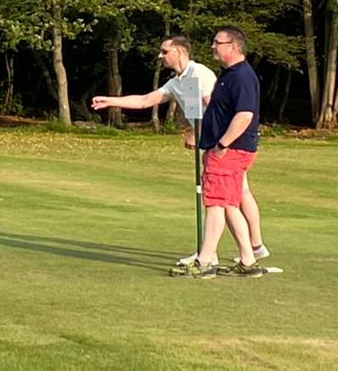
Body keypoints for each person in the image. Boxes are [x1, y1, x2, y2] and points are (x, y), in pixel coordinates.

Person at [90, 34, 268, 269]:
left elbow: (214, 108)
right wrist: (111, 101)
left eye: (165, 51)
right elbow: (145, 101)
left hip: (225, 145)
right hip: (220, 144)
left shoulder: (201, 74)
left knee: (225, 200)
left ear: (180, 51)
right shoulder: (177, 81)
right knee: (230, 201)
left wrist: (205, 137)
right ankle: (247, 256)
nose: (160, 56)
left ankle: (212, 256)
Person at [171, 26, 267, 278]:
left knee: (215, 204)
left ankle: (204, 262)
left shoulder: (242, 77)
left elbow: (245, 115)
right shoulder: (229, 74)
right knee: (229, 205)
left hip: (230, 150)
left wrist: (222, 145)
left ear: (233, 47)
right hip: (227, 148)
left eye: (217, 42)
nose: (213, 46)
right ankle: (248, 260)